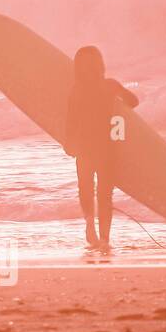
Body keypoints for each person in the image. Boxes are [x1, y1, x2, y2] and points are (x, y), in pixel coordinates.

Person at [64, 46, 138, 252]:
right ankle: (104, 238)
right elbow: (134, 101)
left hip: (85, 147)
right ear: (100, 65)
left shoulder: (76, 90)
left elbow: (71, 120)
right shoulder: (110, 86)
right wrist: (119, 100)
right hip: (107, 147)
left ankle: (89, 222)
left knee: (85, 188)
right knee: (105, 194)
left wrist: (68, 143)